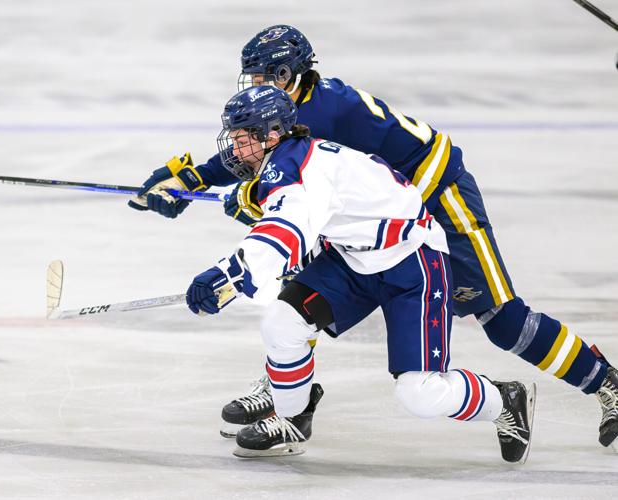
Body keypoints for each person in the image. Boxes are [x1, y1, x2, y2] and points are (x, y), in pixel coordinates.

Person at [130, 25, 617, 451]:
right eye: (252, 78)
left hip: (438, 199)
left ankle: (605, 383)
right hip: (381, 213)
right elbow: (256, 155)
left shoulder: (322, 111)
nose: (257, 85)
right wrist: (190, 179)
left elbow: (283, 187)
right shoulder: (288, 112)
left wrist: (233, 194)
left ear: (289, 76)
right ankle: (286, 390)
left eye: (264, 77)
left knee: (501, 317)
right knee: (304, 286)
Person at [184, 85, 534, 462]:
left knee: (419, 393)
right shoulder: (291, 157)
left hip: (411, 263)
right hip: (353, 260)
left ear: (270, 135)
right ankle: (292, 418)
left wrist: (229, 276)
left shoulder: (296, 167)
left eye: (240, 140)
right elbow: (291, 218)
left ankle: (505, 400)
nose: (235, 152)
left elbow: (285, 232)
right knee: (281, 323)